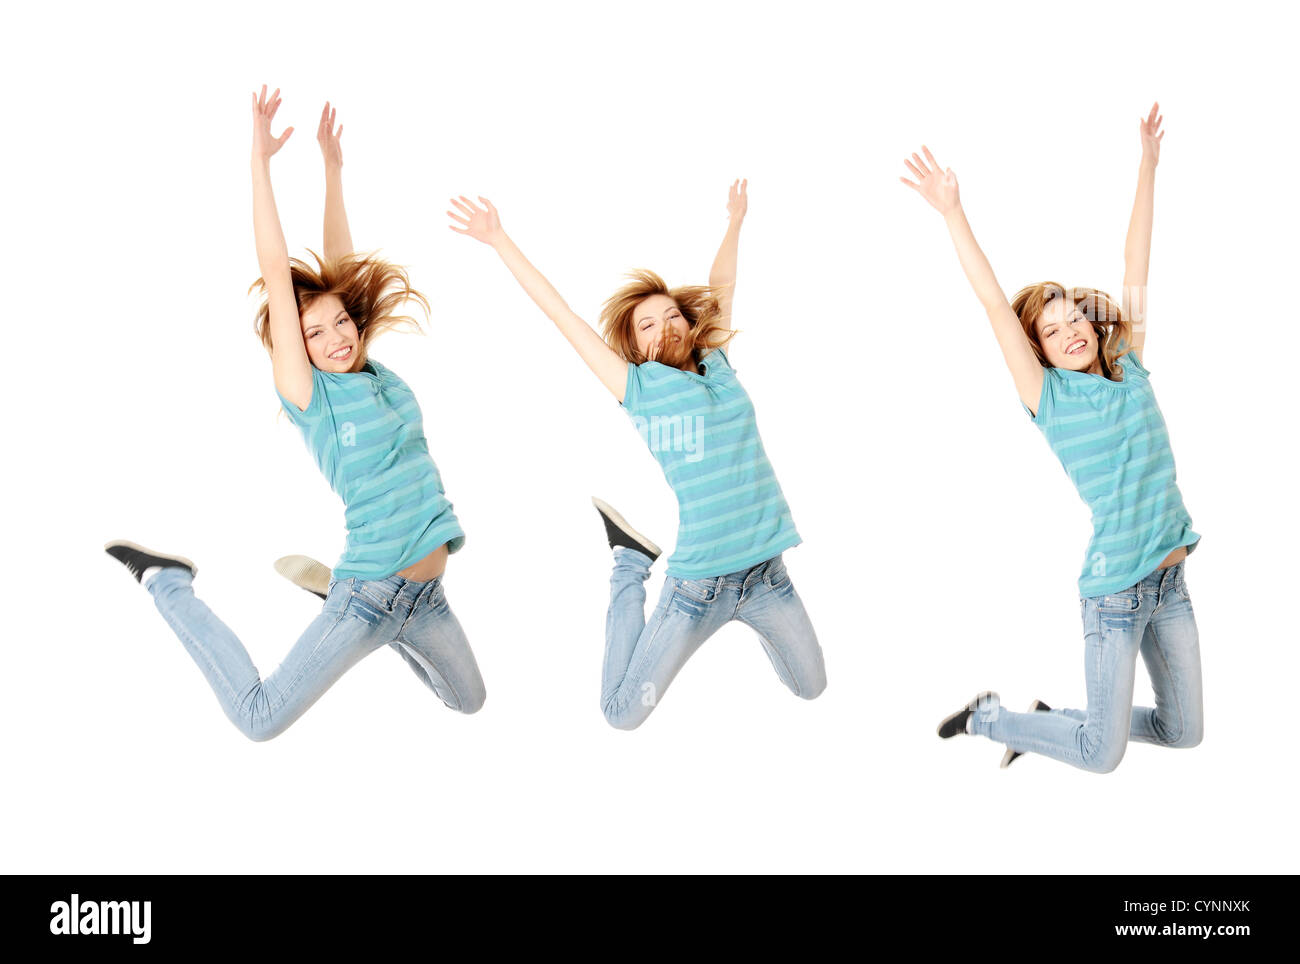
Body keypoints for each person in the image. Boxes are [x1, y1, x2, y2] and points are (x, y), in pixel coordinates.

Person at [105, 87, 485, 741]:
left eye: (342, 322)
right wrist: (261, 163)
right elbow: (275, 270)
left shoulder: (375, 374)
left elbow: (342, 268)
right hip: (370, 596)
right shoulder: (312, 395)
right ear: (294, 348)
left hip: (426, 599)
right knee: (259, 719)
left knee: (469, 702)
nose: (337, 337)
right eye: (315, 333)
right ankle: (168, 582)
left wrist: (333, 170)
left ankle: (348, 608)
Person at [439, 181, 826, 729]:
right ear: (634, 346)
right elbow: (560, 314)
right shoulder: (637, 388)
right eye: (647, 324)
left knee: (811, 689)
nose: (665, 327)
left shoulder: (716, 360)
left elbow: (722, 283)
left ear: (690, 326)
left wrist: (735, 220)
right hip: (700, 586)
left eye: (673, 316)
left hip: (769, 575)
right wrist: (499, 239)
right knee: (621, 713)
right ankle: (628, 564)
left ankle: (750, 616)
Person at [904, 103, 1203, 772]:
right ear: (1038, 349)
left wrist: (1149, 164)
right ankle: (991, 720)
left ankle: (1051, 723)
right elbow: (990, 300)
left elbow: (1136, 260)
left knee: (1185, 732)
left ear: (1095, 327)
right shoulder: (1049, 398)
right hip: (1115, 592)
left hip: (1171, 581)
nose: (1070, 330)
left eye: (1076, 319)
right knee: (1102, 755)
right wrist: (953, 213)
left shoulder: (1132, 366)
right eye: (1051, 329)